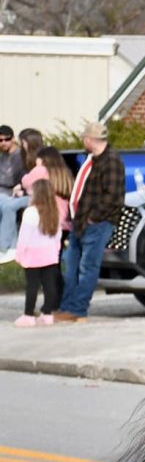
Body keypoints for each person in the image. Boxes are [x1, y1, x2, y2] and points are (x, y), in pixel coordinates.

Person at [54, 121, 126, 323]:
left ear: (90, 139)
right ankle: (67, 307)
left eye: (84, 137)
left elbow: (113, 197)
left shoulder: (111, 161)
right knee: (71, 265)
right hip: (81, 222)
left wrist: (92, 218)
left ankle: (78, 309)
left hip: (96, 223)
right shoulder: (93, 160)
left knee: (87, 267)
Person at [14, 180, 63, 326]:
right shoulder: (55, 212)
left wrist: (19, 253)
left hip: (32, 255)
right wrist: (56, 250)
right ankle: (47, 314)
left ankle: (28, 315)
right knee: (49, 285)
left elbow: (24, 237)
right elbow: (58, 235)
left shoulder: (30, 212)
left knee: (32, 285)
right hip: (50, 254)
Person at [0, 125, 26, 261]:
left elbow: (17, 180)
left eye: (7, 139)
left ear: (13, 139)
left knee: (6, 206)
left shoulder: (20, 156)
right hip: (3, 192)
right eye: (0, 140)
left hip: (15, 192)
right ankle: (10, 246)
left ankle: (6, 246)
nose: (3, 143)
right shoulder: (2, 156)